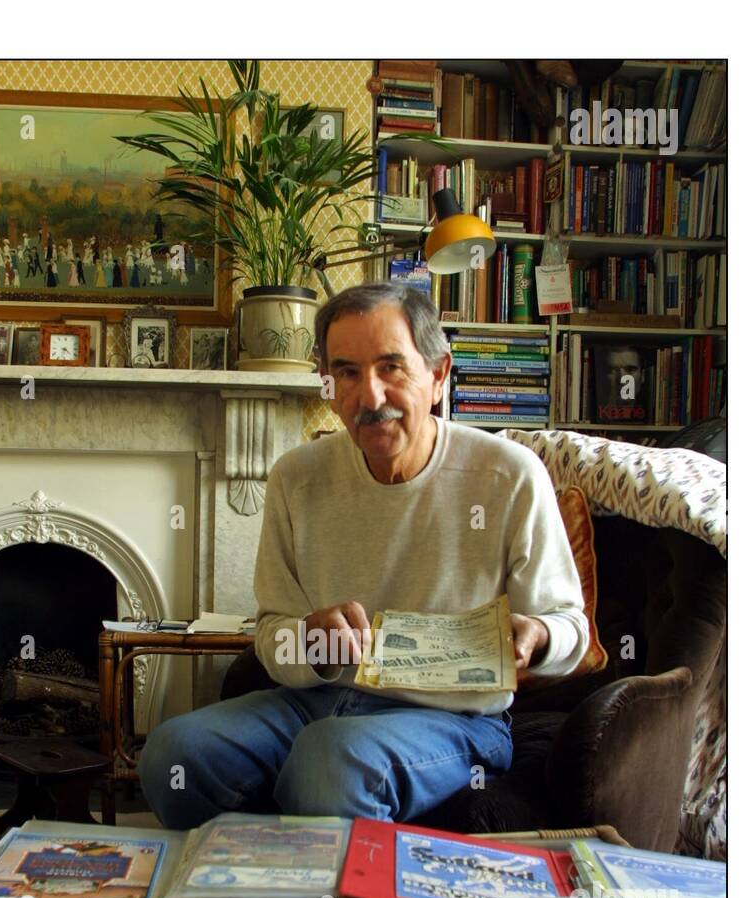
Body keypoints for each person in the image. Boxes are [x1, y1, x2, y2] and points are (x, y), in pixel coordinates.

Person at [139, 282, 589, 828]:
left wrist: (537, 636)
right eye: (347, 372)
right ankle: (249, 888)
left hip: (454, 720)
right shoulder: (296, 477)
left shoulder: (509, 476)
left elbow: (571, 628)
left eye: (391, 368)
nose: (369, 398)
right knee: (170, 755)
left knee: (329, 763)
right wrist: (311, 640)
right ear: (327, 385)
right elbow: (271, 634)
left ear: (439, 375)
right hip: (316, 702)